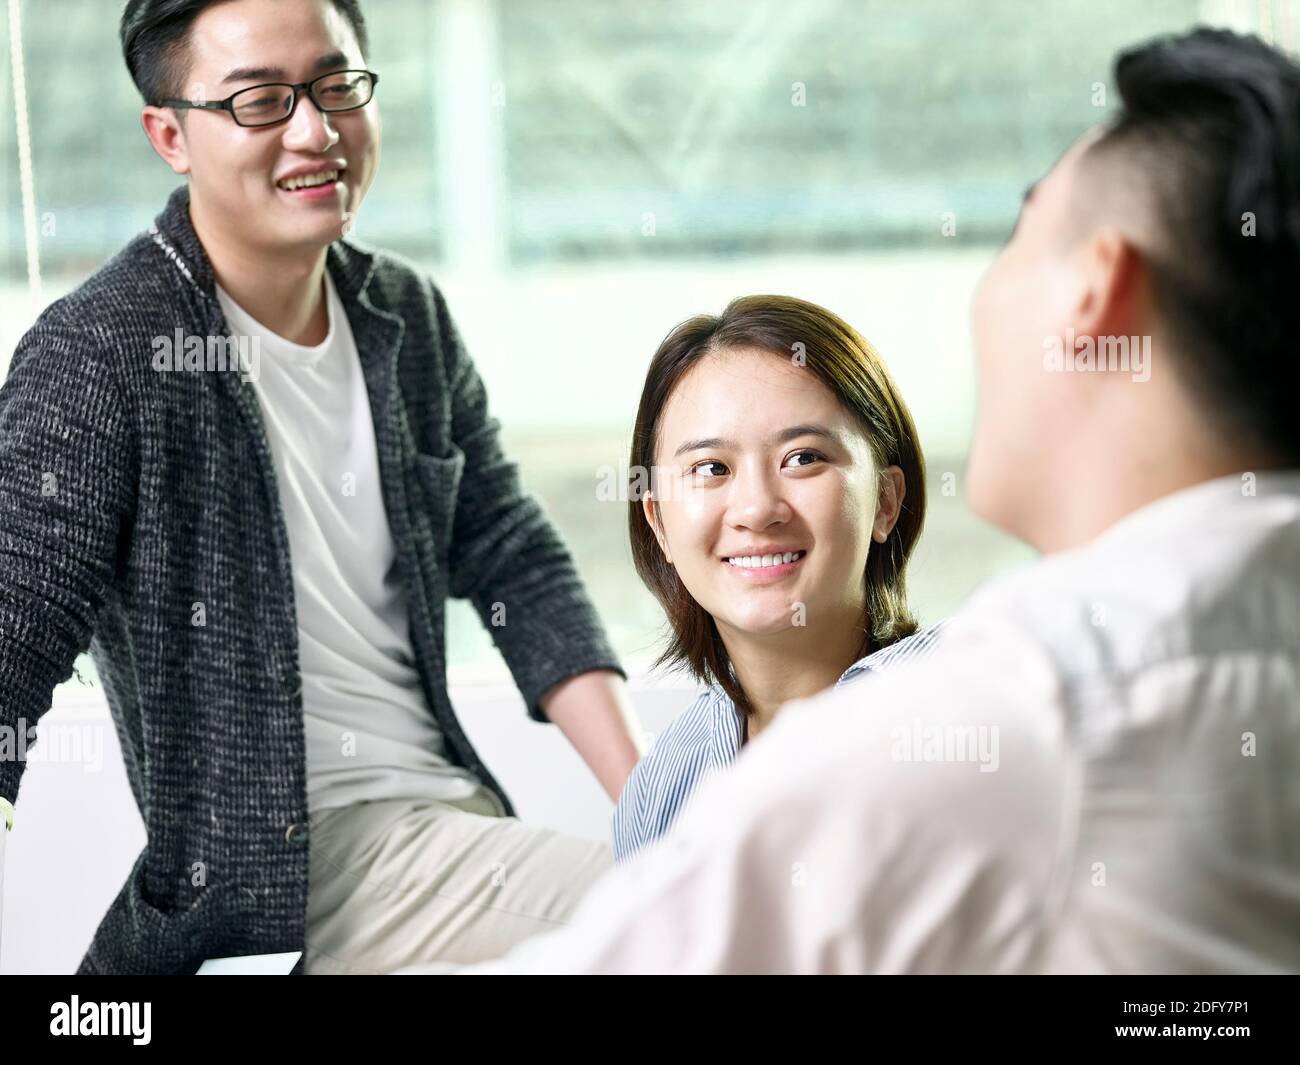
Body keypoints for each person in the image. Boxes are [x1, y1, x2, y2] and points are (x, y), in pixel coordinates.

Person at [437, 26, 1300, 974]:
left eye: (1017, 235)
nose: (756, 503)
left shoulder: (1017, 711)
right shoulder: (1246, 618)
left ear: (1094, 293)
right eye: (709, 468)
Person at [0, 0, 642, 975]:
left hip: (447, 831)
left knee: (700, 886)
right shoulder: (105, 354)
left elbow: (514, 557)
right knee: (693, 923)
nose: (314, 130)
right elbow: (13, 633)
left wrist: (658, 807)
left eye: (336, 87)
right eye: (261, 101)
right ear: (169, 134)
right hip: (292, 884)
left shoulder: (403, 316)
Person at [612, 295, 944, 862]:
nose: (758, 508)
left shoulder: (963, 703)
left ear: (885, 503)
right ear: (659, 523)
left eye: (803, 458)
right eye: (711, 468)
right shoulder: (660, 789)